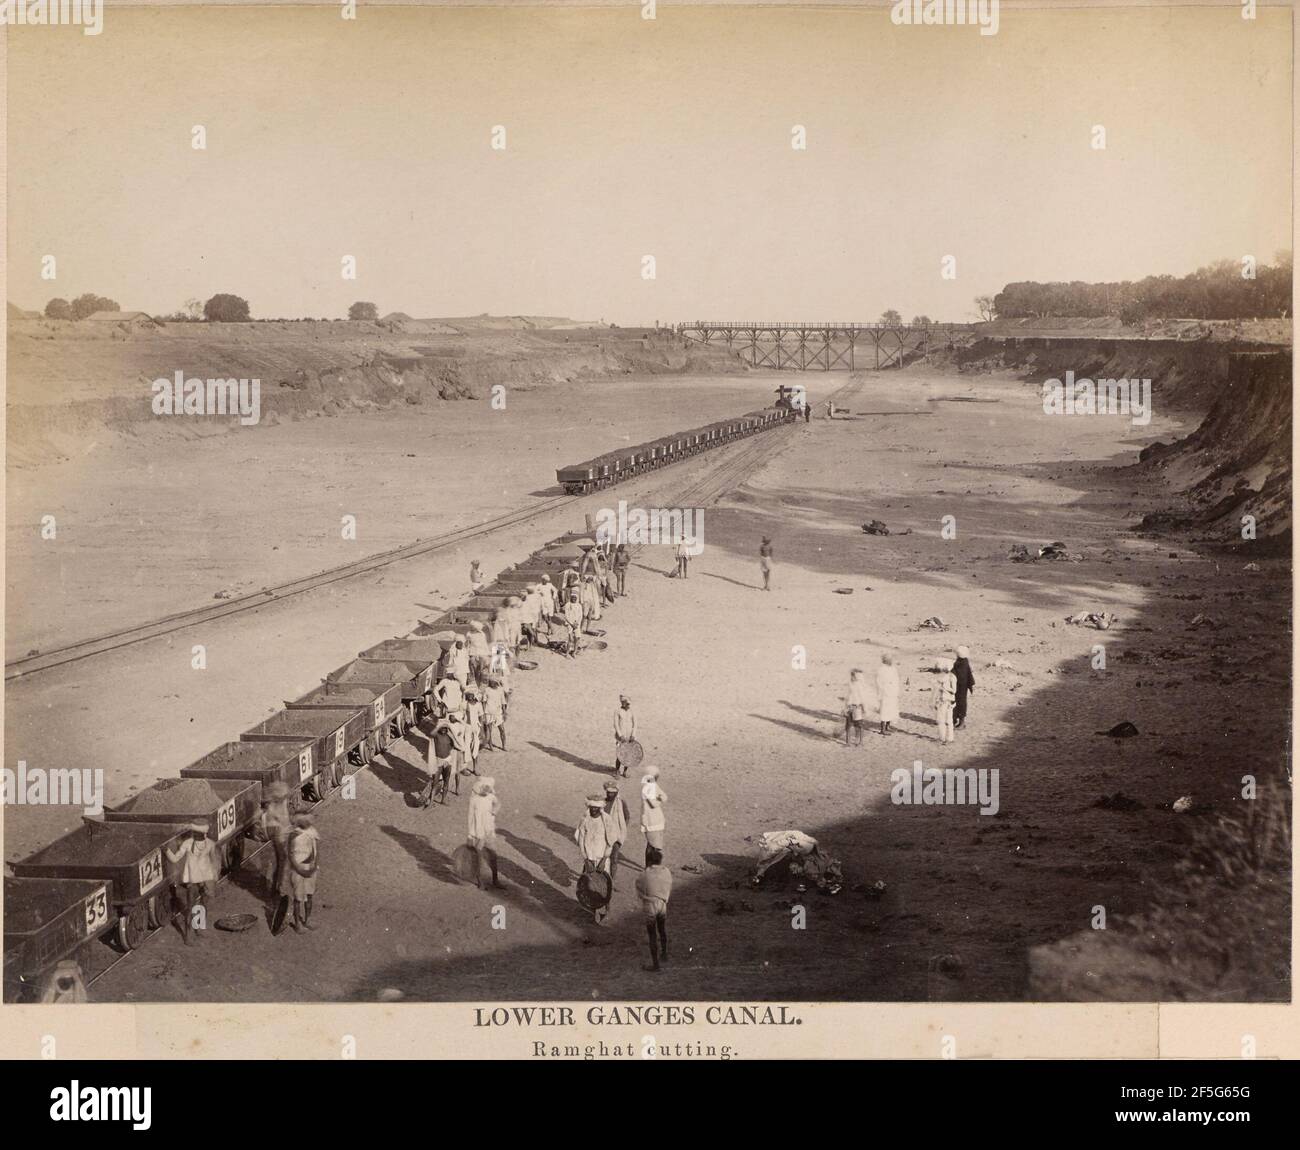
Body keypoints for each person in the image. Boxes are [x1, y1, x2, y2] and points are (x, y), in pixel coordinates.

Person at [165, 822, 219, 945]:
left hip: (205, 878)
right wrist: (166, 850)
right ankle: (188, 935)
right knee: (191, 907)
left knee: (201, 905)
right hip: (194, 880)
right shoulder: (189, 844)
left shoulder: (208, 844)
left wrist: (213, 877)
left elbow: (214, 861)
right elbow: (174, 859)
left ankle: (198, 928)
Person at [575, 795, 613, 924]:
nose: (593, 810)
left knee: (604, 886)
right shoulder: (584, 820)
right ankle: (591, 912)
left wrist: (604, 860)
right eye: (591, 807)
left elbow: (610, 842)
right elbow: (580, 839)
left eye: (596, 808)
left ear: (601, 808)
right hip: (589, 858)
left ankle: (606, 910)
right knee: (589, 886)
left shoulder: (607, 820)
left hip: (602, 858)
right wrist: (586, 859)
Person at [255, 779, 292, 904]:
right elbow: (276, 820)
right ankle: (278, 890)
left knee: (280, 861)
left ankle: (276, 888)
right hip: (279, 835)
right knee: (281, 861)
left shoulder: (278, 804)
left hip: (281, 834)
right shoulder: (274, 807)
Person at [636, 846, 673, 971]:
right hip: (662, 904)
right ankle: (664, 953)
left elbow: (639, 888)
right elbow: (668, 885)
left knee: (652, 934)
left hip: (650, 905)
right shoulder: (666, 871)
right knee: (662, 929)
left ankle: (655, 964)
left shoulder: (645, 874)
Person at [285, 813, 320, 932]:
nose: (309, 822)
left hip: (310, 869)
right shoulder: (293, 835)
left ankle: (308, 919)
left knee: (309, 895)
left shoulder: (313, 832)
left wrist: (314, 867)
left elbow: (317, 850)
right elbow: (290, 855)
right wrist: (299, 870)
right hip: (297, 871)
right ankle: (297, 923)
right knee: (298, 898)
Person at [467, 778, 503, 890]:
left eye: (488, 788)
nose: (486, 790)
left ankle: (495, 880)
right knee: (478, 856)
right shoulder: (473, 800)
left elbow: (498, 804)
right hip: (478, 830)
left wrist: (494, 812)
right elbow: (470, 817)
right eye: (484, 788)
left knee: (493, 855)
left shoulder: (491, 797)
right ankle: (480, 882)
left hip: (488, 829)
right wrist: (470, 834)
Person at [423, 716, 465, 804]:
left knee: (446, 781)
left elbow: (457, 745)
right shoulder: (436, 736)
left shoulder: (449, 737)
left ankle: (443, 800)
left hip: (447, 761)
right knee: (435, 781)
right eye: (442, 728)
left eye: (445, 728)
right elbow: (431, 734)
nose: (443, 730)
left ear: (447, 729)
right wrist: (439, 725)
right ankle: (431, 801)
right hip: (438, 761)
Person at [602, 780, 630, 889]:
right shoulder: (602, 803)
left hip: (616, 836)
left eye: (612, 792)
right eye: (608, 792)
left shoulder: (621, 803)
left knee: (614, 859)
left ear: (616, 792)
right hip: (603, 836)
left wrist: (621, 829)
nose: (609, 794)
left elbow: (627, 816)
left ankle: (612, 882)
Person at [640, 766, 666, 861]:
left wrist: (659, 798)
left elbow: (665, 797)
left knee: (652, 844)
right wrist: (659, 798)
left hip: (656, 819)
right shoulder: (647, 789)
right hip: (650, 820)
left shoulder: (654, 786)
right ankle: (649, 866)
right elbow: (654, 804)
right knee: (652, 844)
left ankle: (650, 866)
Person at [876, 652, 900, 736]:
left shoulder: (893, 668)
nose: (891, 661)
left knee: (891, 710)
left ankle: (887, 727)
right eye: (889, 660)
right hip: (885, 693)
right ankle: (882, 729)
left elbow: (896, 679)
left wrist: (896, 690)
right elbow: (879, 682)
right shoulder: (881, 669)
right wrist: (883, 691)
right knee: (885, 710)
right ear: (885, 660)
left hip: (893, 692)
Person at [952, 646, 976, 729]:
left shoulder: (961, 663)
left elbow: (958, 674)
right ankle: (954, 720)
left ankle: (961, 723)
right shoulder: (963, 662)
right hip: (960, 687)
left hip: (960, 687)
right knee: (956, 703)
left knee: (960, 704)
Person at [613, 694, 637, 775]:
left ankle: (625, 771)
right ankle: (617, 771)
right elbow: (616, 724)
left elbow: (635, 724)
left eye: (628, 703)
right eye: (625, 703)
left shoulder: (632, 711)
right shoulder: (617, 711)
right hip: (620, 737)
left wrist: (633, 735)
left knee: (628, 754)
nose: (627, 705)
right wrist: (620, 735)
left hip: (629, 736)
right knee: (620, 754)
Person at [844, 668, 868, 747]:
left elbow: (862, 698)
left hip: (857, 707)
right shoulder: (850, 684)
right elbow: (847, 697)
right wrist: (845, 707)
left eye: (853, 676)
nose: (852, 677)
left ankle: (860, 741)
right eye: (851, 675)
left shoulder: (859, 686)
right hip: (850, 707)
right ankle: (848, 742)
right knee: (848, 725)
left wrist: (864, 708)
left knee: (859, 725)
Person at [481, 676, 507, 750]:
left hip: (498, 712)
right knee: (489, 731)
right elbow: (484, 702)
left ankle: (504, 746)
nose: (492, 683)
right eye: (491, 682)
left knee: (502, 730)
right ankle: (491, 746)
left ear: (496, 683)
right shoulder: (487, 690)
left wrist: (504, 712)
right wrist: (483, 713)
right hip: (488, 712)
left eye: (494, 682)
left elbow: (503, 702)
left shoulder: (500, 690)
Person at [934, 664, 957, 744]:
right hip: (941, 700)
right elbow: (936, 691)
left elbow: (954, 690)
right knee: (940, 720)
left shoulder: (952, 677)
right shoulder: (940, 677)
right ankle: (942, 737)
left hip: (949, 701)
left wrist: (945, 688)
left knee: (949, 720)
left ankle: (950, 738)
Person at [463, 689, 484, 773]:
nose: (470, 696)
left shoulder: (478, 705)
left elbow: (481, 717)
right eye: (468, 694)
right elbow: (461, 716)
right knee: (466, 747)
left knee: (476, 748)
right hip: (467, 727)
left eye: (471, 694)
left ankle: (475, 768)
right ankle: (464, 767)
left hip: (476, 727)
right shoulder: (464, 704)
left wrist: (481, 730)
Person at [465, 620, 491, 686]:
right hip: (473, 652)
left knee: (482, 668)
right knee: (472, 666)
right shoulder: (469, 634)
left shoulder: (482, 634)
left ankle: (481, 682)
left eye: (473, 626)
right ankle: (473, 682)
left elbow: (484, 644)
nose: (471, 628)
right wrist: (467, 653)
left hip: (482, 653)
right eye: (471, 626)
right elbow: (468, 644)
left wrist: (487, 653)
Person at [562, 590, 583, 657]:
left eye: (575, 598)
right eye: (572, 597)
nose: (574, 599)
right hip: (569, 624)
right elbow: (566, 616)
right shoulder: (568, 605)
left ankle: (574, 652)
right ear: (571, 597)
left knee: (577, 638)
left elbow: (580, 615)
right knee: (570, 639)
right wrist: (571, 624)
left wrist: (577, 623)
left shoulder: (579, 605)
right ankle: (567, 653)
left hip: (576, 624)